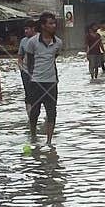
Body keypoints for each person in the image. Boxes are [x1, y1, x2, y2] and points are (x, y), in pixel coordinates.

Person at [19, 11, 63, 141]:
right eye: (50, 23)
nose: (53, 25)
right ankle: (33, 136)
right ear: (43, 26)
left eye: (54, 23)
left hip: (51, 82)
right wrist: (32, 77)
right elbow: (30, 61)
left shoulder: (58, 42)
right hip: (36, 82)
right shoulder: (32, 42)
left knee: (52, 112)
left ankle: (49, 141)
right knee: (34, 112)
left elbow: (54, 57)